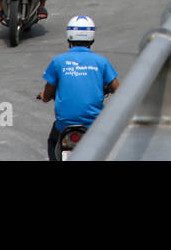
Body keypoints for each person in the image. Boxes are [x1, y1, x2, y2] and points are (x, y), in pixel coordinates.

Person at [39, 15, 119, 161]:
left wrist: (43, 95)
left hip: (64, 126)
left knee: (52, 142)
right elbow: (118, 89)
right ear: (92, 38)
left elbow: (46, 96)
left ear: (69, 37)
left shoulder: (58, 61)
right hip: (93, 125)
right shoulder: (101, 62)